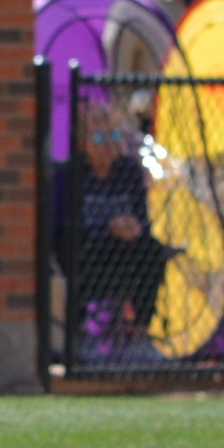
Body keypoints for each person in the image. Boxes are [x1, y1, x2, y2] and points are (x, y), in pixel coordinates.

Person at [67, 103, 175, 361]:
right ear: (82, 143)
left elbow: (142, 220)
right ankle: (84, 336)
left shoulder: (128, 171)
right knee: (82, 253)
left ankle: (139, 336)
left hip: (126, 253)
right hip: (89, 254)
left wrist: (133, 227)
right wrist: (107, 228)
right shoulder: (72, 175)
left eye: (114, 136)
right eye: (99, 138)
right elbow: (65, 228)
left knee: (152, 249)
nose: (108, 145)